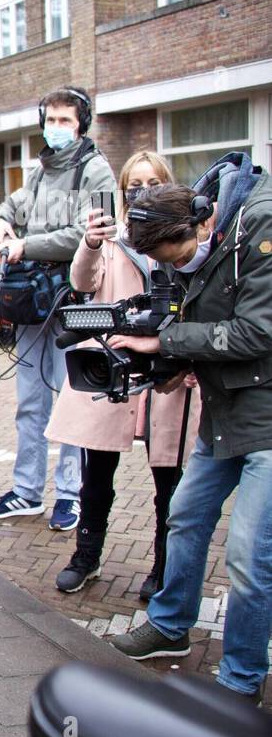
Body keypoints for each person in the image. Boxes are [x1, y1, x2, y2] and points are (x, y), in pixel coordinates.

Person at [105, 157, 272, 707]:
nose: (172, 268)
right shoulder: (191, 238)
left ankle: (240, 680)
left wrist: (168, 345)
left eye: (174, 257)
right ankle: (171, 623)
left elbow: (255, 332)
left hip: (267, 418)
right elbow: (190, 319)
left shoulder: (261, 226)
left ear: (201, 224)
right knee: (185, 515)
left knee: (250, 555)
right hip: (225, 412)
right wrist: (158, 360)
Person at [45, 151, 199, 598]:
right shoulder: (112, 237)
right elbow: (83, 282)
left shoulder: (185, 240)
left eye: (153, 182)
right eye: (134, 184)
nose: (143, 191)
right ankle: (86, 556)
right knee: (98, 473)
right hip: (114, 359)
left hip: (168, 362)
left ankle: (163, 567)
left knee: (168, 476)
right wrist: (90, 243)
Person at [0, 86, 115, 531]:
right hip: (31, 305)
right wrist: (0, 224)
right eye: (50, 120)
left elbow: (92, 232)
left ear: (81, 124)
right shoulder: (39, 173)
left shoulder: (96, 172)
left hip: (72, 303)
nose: (56, 128)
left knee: (69, 404)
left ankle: (70, 495)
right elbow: (8, 205)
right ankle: (26, 491)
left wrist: (26, 244)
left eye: (65, 121)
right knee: (30, 402)